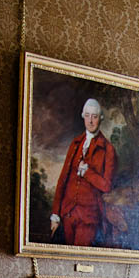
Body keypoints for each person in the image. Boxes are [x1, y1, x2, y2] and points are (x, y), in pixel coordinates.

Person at [50, 98, 116, 246]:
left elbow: (106, 186)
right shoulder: (75, 143)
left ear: (101, 118)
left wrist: (87, 172)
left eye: (95, 116)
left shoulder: (108, 149)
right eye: (87, 116)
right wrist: (55, 214)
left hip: (89, 217)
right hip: (68, 214)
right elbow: (63, 179)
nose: (91, 121)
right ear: (83, 116)